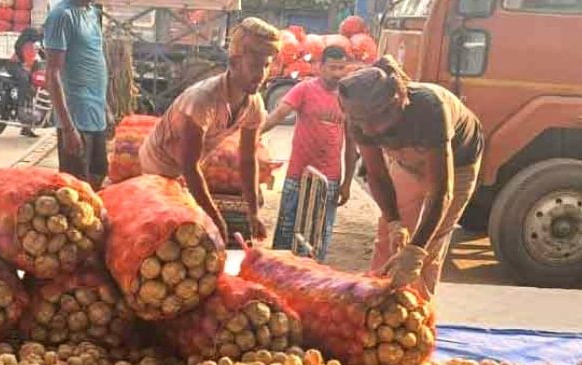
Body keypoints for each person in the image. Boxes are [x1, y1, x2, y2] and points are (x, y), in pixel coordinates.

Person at [339, 56, 483, 297]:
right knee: (388, 237)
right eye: (365, 125)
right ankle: (373, 303)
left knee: (428, 247)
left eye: (378, 122)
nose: (371, 131)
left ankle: (417, 316)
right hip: (406, 160)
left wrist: (416, 250)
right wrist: (394, 222)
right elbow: (377, 175)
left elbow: (441, 191)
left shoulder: (429, 109)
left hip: (457, 163)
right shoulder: (358, 119)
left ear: (398, 102)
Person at [139, 18, 282, 241]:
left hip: (184, 171)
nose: (261, 74)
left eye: (266, 65)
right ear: (234, 63)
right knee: (165, 237)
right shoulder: (202, 100)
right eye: (254, 66)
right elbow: (189, 166)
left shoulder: (254, 104)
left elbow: (247, 160)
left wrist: (253, 214)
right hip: (157, 165)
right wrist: (214, 217)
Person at [262, 45, 357, 260]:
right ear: (320, 67)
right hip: (298, 174)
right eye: (332, 67)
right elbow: (279, 114)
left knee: (319, 237)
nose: (337, 74)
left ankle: (313, 278)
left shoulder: (348, 98)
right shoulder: (304, 89)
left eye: (341, 68)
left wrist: (347, 183)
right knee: (287, 233)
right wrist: (252, 135)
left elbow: (352, 144)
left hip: (330, 178)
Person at [44, 0, 107, 186]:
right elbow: (52, 73)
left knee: (98, 175)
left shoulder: (92, 12)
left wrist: (105, 108)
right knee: (76, 189)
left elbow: (94, 60)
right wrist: (68, 129)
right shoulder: (61, 16)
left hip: (97, 114)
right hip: (76, 118)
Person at [9, 27, 44, 138]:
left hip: (24, 68)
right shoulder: (24, 44)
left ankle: (26, 128)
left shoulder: (36, 45)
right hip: (14, 66)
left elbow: (44, 55)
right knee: (24, 80)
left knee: (32, 91)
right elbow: (25, 62)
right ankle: (20, 108)